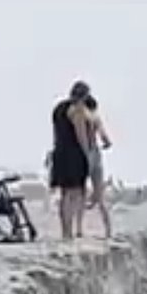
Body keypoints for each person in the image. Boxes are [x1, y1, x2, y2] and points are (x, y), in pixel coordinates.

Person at [50, 81, 92, 240]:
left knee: (64, 194)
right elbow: (81, 135)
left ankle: (65, 231)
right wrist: (87, 154)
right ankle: (69, 231)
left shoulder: (59, 108)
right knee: (73, 193)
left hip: (59, 151)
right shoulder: (77, 110)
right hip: (73, 154)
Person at [82, 95, 113, 239]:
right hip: (96, 153)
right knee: (100, 195)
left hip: (83, 154)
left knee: (78, 192)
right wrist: (106, 145)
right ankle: (108, 230)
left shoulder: (82, 117)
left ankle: (78, 228)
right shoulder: (96, 118)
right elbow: (106, 139)